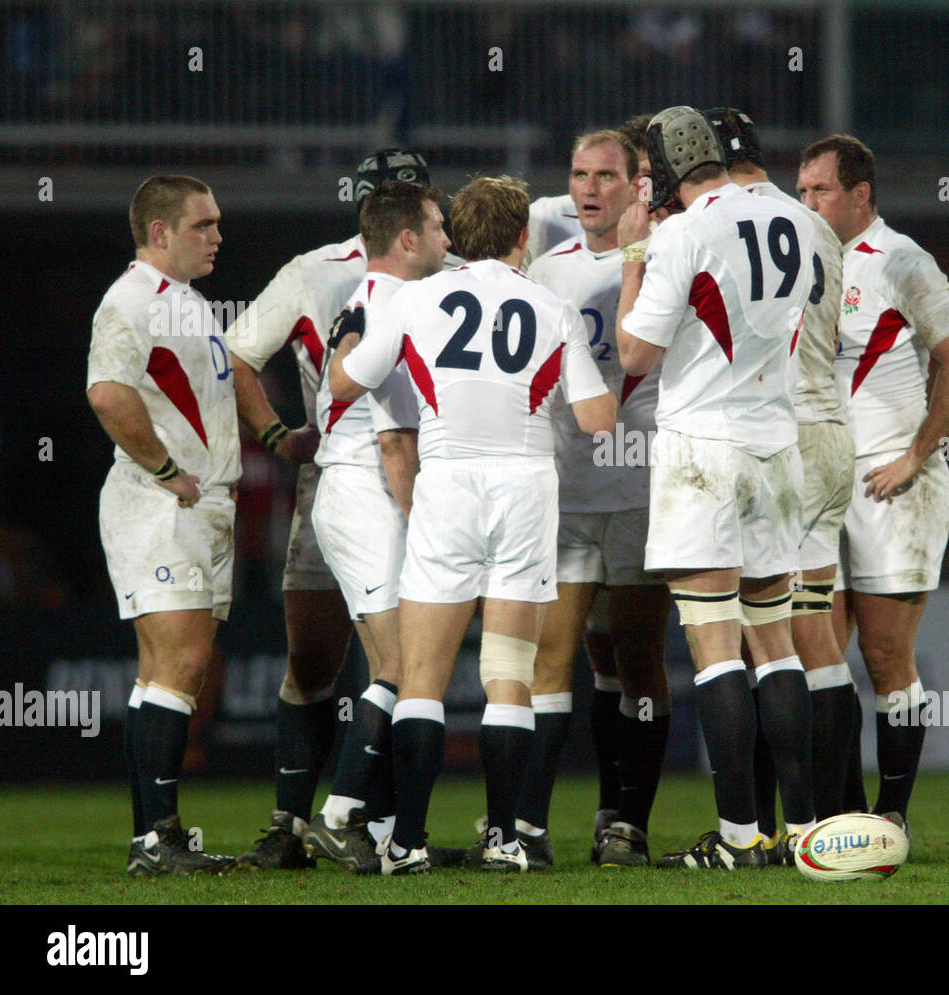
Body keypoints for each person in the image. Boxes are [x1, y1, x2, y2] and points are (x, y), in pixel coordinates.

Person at [328, 175, 616, 874]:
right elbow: (596, 420)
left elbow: (344, 384)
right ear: (523, 238)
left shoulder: (413, 298)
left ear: (457, 236)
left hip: (447, 483)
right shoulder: (550, 305)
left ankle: (408, 842)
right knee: (509, 675)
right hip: (525, 486)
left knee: (422, 677)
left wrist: (350, 334)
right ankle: (506, 839)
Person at [617, 106, 817, 869]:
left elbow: (635, 351)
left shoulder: (680, 233)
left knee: (715, 649)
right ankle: (799, 830)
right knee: (776, 644)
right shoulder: (792, 219)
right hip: (776, 443)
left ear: (665, 172)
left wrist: (636, 246)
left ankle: (739, 836)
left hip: (705, 445)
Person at [227, 150, 434, 869]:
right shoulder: (314, 271)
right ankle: (296, 822)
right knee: (318, 656)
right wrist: (278, 435)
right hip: (349, 473)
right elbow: (240, 351)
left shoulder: (448, 265)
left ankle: (379, 822)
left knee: (408, 659)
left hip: (415, 469)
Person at [797, 134, 949, 834]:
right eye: (802, 189)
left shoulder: (901, 259)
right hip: (819, 480)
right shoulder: (800, 260)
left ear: (861, 195)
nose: (807, 202)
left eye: (821, 190)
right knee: (818, 653)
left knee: (882, 654)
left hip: (890, 482)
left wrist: (917, 452)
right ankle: (844, 815)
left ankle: (893, 814)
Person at [518, 129, 671, 868]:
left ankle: (628, 821)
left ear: (637, 184)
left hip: (641, 485)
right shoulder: (544, 271)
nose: (588, 189)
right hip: (570, 489)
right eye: (578, 173)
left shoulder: (667, 255)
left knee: (639, 654)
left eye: (605, 175)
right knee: (570, 654)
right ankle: (530, 827)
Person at [705, 108, 856, 849]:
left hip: (777, 433)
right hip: (830, 433)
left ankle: (772, 824)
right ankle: (836, 810)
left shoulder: (723, 223)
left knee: (760, 638)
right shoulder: (813, 225)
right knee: (812, 638)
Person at [298, 180, 453, 872]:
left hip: (352, 490)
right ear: (409, 239)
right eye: (440, 229)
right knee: (398, 665)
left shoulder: (362, 296)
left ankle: (386, 830)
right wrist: (428, 524)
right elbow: (394, 440)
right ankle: (338, 814)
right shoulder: (397, 305)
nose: (450, 243)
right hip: (365, 492)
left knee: (391, 666)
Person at [87, 174, 239, 875]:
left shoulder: (188, 303)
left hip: (194, 507)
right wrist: (162, 470)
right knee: (180, 664)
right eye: (202, 224)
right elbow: (109, 393)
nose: (216, 235)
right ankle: (160, 840)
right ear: (159, 233)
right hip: (160, 507)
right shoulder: (129, 300)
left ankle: (151, 835)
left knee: (161, 674)